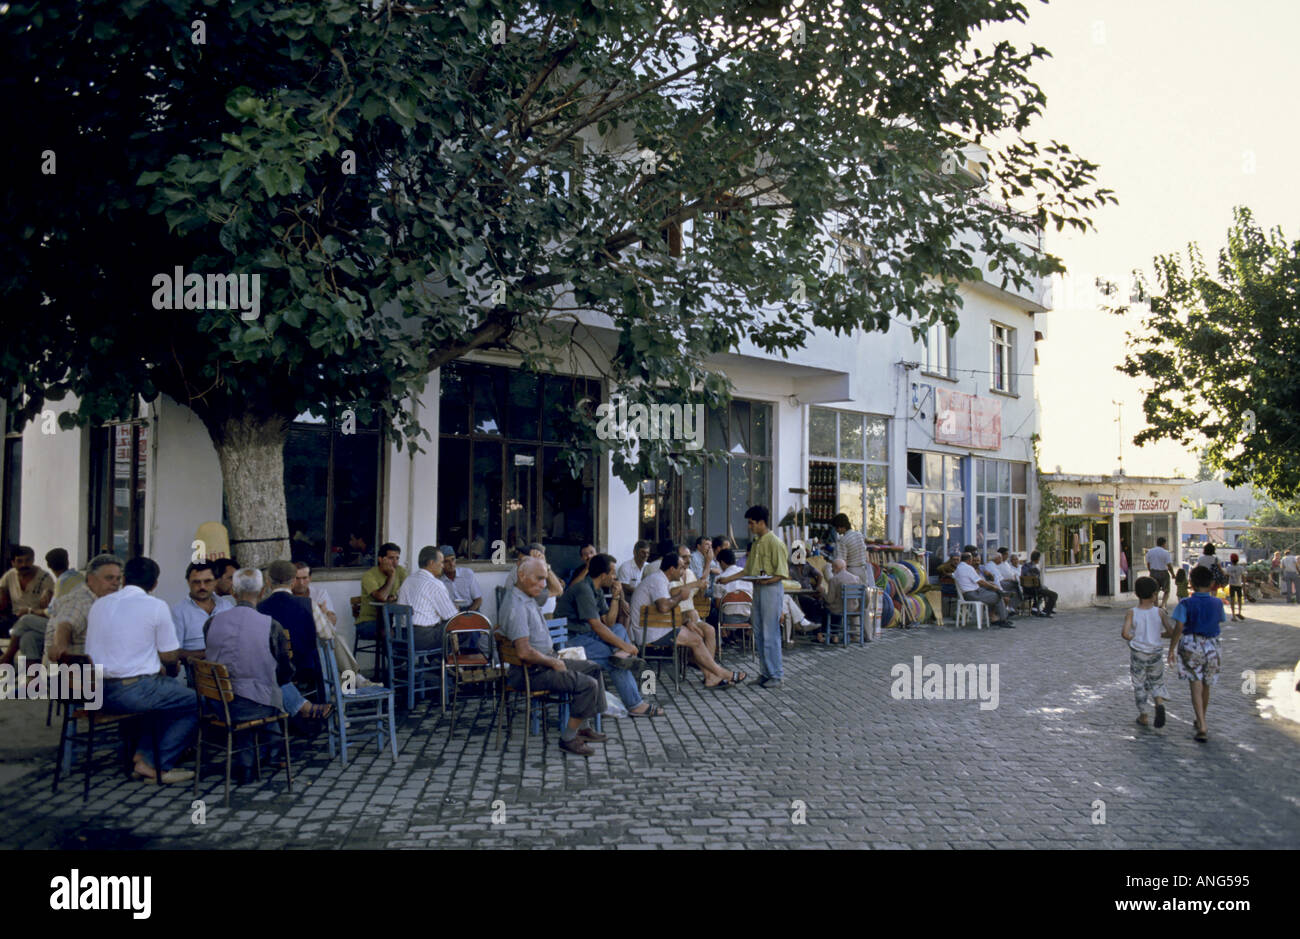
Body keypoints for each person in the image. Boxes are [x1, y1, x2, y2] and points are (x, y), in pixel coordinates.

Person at [84, 557, 197, 784]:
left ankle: (143, 754)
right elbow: (169, 656)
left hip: (94, 691)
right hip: (131, 692)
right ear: (155, 584)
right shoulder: (156, 606)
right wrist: (170, 668)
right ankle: (154, 762)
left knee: (168, 692)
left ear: (124, 579)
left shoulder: (100, 604)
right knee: (195, 701)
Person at [498, 557, 609, 757]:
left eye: (544, 579)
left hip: (543, 663)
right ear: (521, 576)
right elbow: (523, 652)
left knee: (593, 667)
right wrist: (553, 661)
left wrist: (546, 567)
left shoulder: (528, 594)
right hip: (530, 672)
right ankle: (568, 738)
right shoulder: (516, 605)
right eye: (539, 579)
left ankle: (583, 725)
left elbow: (557, 589)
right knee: (587, 684)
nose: (543, 585)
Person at [202, 567, 302, 782]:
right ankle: (271, 753)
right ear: (263, 590)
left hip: (217, 703)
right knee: (263, 696)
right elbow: (284, 673)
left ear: (233, 592)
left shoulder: (211, 623)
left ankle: (248, 764)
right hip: (255, 704)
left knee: (243, 693)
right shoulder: (271, 626)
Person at [556, 553, 663, 717]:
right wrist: (624, 645)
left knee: (619, 629)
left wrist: (615, 597)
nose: (615, 577)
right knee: (614, 661)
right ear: (603, 575)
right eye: (613, 573)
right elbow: (597, 626)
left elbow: (610, 622)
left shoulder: (596, 589)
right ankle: (635, 704)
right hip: (570, 641)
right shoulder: (583, 589)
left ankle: (621, 656)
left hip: (586, 635)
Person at [630, 553, 743, 689]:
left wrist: (685, 621)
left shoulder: (659, 579)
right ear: (672, 569)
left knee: (696, 637)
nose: (683, 571)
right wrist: (680, 597)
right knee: (695, 639)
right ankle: (722, 673)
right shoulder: (658, 581)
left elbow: (663, 611)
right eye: (681, 568)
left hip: (654, 628)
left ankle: (711, 677)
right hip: (649, 633)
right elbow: (664, 606)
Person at [723, 505, 788, 687]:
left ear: (761, 522)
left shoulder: (775, 543)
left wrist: (766, 581)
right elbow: (747, 571)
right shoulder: (757, 543)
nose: (750, 527)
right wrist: (727, 579)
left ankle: (775, 674)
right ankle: (765, 672)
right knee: (758, 632)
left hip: (771, 589)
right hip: (758, 588)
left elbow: (782, 572)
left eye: (752, 523)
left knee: (770, 633)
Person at [1170, 564, 1225, 743]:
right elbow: (1220, 621)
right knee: (1207, 684)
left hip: (1191, 644)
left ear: (1191, 584)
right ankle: (1202, 718)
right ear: (1211, 584)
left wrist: (1171, 648)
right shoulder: (1217, 603)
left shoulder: (1185, 603)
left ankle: (1201, 724)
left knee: (1195, 684)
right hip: (1212, 646)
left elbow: (1178, 627)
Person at [1121, 575, 1178, 729]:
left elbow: (1125, 634)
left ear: (1137, 594)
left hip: (1138, 653)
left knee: (1139, 683)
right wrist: (1158, 635)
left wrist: (1137, 637)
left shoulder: (1131, 612)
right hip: (1156, 653)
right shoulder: (1160, 612)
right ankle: (1158, 703)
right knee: (1156, 680)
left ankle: (1143, 715)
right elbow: (1171, 632)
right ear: (1154, 594)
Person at [258, 560, 322, 689]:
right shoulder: (308, 604)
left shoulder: (259, 608)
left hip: (273, 671)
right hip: (306, 668)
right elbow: (327, 635)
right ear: (293, 581)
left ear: (269, 582)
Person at [46, 554, 122, 663]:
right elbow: (65, 623)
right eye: (109, 578)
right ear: (91, 579)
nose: (115, 583)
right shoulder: (81, 601)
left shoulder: (105, 600)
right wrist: (60, 646)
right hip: (73, 673)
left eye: (118, 578)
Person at [168, 562, 235, 681]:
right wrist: (208, 654)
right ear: (188, 582)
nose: (202, 586)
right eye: (196, 582)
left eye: (207, 581)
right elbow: (174, 653)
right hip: (197, 675)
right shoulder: (178, 612)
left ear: (216, 581)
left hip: (231, 672)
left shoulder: (227, 606)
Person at [396, 546, 460, 650]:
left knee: (442, 627)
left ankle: (436, 661)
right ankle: (450, 663)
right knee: (460, 628)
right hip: (421, 638)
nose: (443, 566)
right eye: (441, 562)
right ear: (431, 563)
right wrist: (456, 610)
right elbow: (450, 616)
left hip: (402, 636)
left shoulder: (408, 580)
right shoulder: (435, 584)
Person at [356, 542, 408, 664]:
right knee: (389, 632)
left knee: (409, 630)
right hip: (369, 621)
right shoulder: (369, 575)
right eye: (390, 558)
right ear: (380, 559)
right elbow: (381, 597)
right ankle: (394, 668)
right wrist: (391, 577)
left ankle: (402, 667)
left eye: (397, 558)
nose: (395, 562)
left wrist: (395, 596)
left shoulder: (400, 570)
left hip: (393, 619)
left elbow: (409, 591)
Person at [0, 546, 54, 650]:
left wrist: (47, 594)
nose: (24, 565)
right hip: (15, 617)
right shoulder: (9, 575)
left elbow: (49, 607)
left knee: (27, 636)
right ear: (13, 563)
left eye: (28, 560)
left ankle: (7, 658)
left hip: (35, 618)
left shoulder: (44, 578)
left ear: (33, 560)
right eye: (19, 561)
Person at [952, 551, 1011, 627]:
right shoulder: (968, 568)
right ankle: (1003, 620)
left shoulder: (958, 568)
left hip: (969, 593)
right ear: (969, 560)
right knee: (997, 596)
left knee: (993, 593)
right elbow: (980, 582)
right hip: (972, 593)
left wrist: (991, 585)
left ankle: (995, 618)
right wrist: (992, 587)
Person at [821, 558, 864, 642]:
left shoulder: (834, 580)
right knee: (835, 607)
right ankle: (835, 636)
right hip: (854, 609)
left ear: (836, 568)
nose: (832, 570)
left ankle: (827, 635)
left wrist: (823, 592)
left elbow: (830, 600)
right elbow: (866, 596)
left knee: (824, 608)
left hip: (839, 610)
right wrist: (861, 607)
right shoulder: (856, 578)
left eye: (833, 568)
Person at [437, 546, 483, 611]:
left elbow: (478, 600)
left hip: (471, 609)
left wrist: (469, 613)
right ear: (441, 564)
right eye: (446, 561)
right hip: (451, 612)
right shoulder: (439, 581)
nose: (451, 564)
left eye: (453, 559)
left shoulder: (467, 573)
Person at [830, 513, 869, 584]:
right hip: (863, 571)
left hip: (851, 572)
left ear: (841, 527)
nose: (836, 531)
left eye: (836, 528)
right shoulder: (859, 535)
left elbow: (841, 563)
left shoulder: (842, 541)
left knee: (851, 594)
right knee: (861, 593)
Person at [1020, 551, 1057, 617]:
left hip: (1026, 590)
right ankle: (1046, 612)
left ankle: (1035, 609)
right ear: (1037, 559)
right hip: (1035, 590)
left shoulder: (1024, 566)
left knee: (1044, 591)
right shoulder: (1035, 569)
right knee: (1053, 595)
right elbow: (1037, 583)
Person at [1145, 537, 1175, 608]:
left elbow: (1148, 563)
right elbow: (1169, 565)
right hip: (1163, 572)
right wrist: (1173, 574)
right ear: (1164, 544)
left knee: (1155, 591)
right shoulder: (1166, 552)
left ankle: (1156, 605)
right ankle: (1163, 604)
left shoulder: (1150, 552)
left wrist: (1151, 571)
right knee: (1166, 590)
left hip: (1153, 572)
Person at [1224, 553, 1246, 621]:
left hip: (1232, 585)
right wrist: (1244, 584)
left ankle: (1233, 615)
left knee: (1232, 600)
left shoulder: (1228, 568)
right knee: (1239, 599)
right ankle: (1239, 612)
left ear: (1231, 560)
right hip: (1239, 585)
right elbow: (1243, 577)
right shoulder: (1241, 568)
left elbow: (1226, 576)